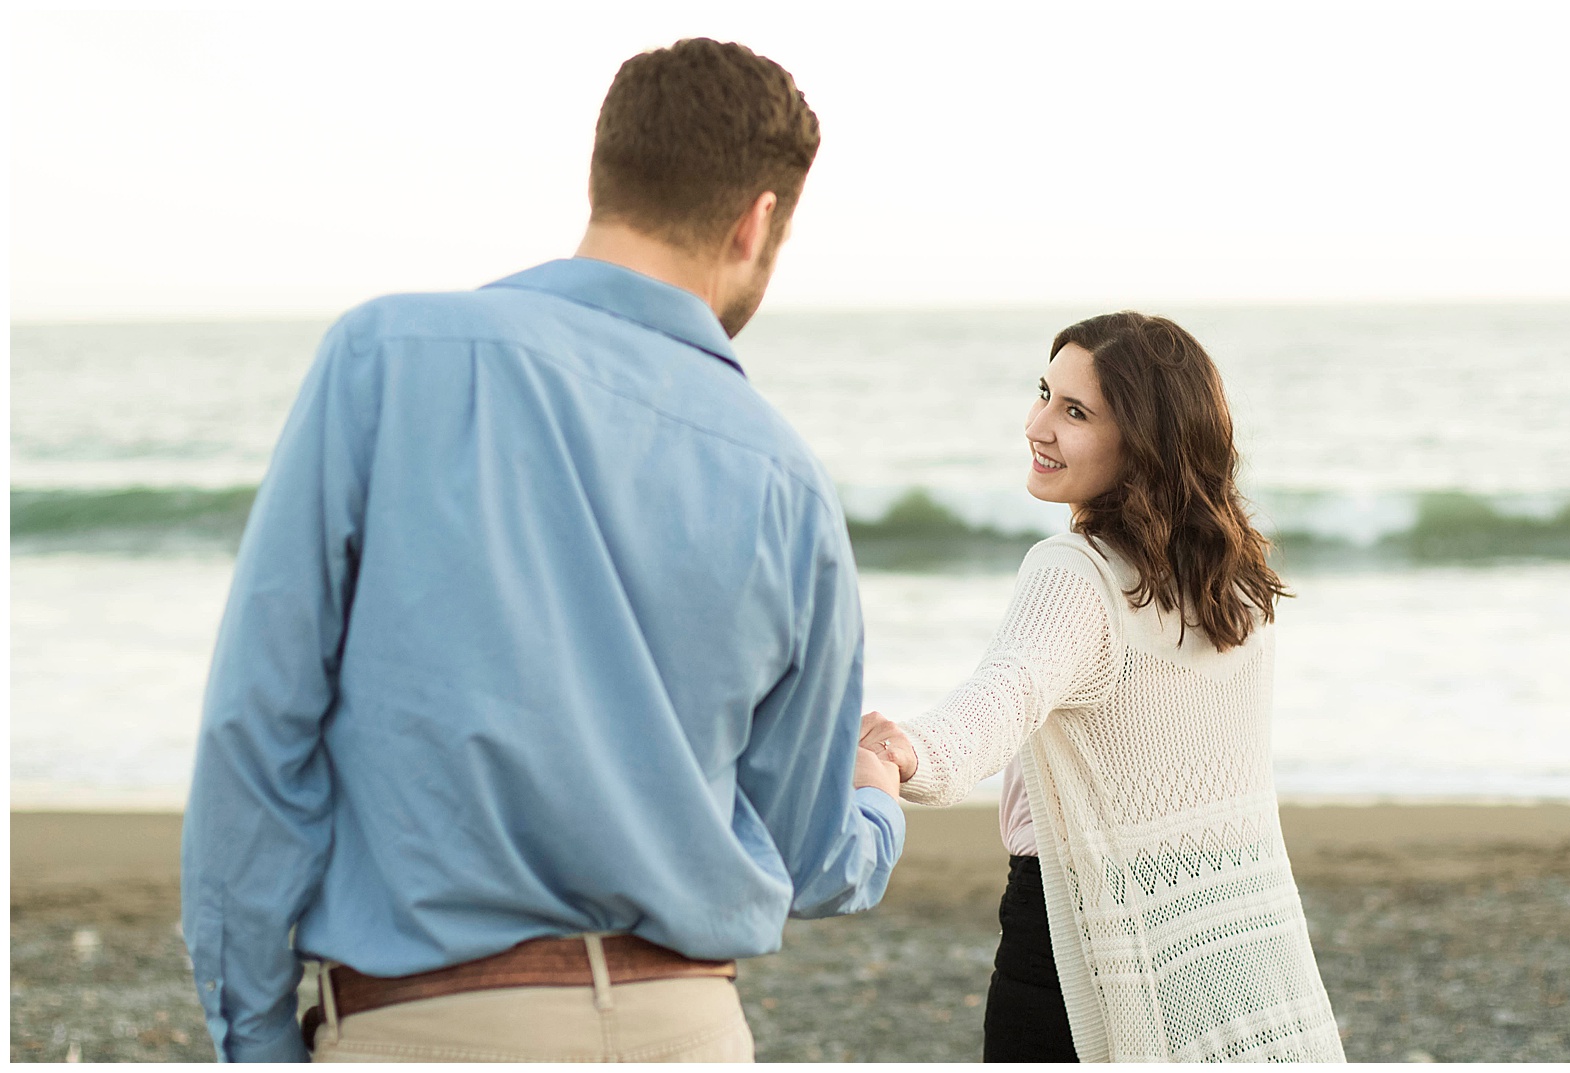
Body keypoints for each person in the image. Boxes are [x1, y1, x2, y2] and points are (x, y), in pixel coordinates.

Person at [181, 38, 905, 1063]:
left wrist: (253, 1033)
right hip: (690, 1031)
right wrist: (874, 791)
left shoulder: (389, 356)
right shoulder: (787, 477)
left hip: (432, 1025)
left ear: (605, 171)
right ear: (759, 220)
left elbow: (258, 728)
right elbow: (813, 853)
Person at [861, 312, 1346, 1062]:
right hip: (1220, 946)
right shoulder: (1236, 583)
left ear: (1143, 441)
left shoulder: (1076, 572)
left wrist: (898, 753)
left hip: (1069, 942)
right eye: (1044, 393)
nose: (1038, 425)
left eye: (1075, 412)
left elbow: (1000, 700)